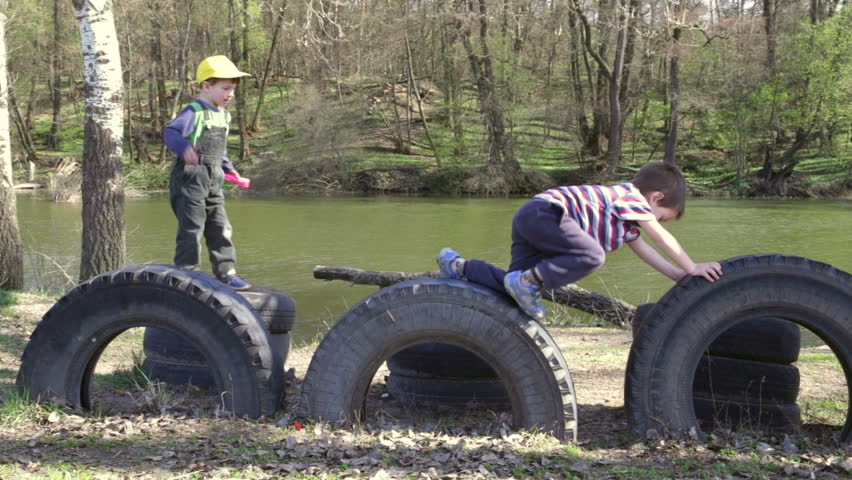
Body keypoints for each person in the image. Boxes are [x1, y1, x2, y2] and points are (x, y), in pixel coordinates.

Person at [437, 162, 723, 319]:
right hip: (548, 214)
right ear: (655, 198)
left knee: (512, 286)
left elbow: (647, 251)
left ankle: (459, 266)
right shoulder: (632, 198)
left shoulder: (627, 225)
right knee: (592, 256)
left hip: (531, 218)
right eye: (661, 217)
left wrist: (678, 275)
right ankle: (527, 281)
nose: (655, 222)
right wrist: (692, 266)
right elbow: (658, 238)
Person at [164, 55, 253, 290]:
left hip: (214, 180)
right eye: (225, 88)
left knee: (220, 226)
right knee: (192, 227)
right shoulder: (194, 111)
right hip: (190, 178)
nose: (230, 94)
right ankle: (187, 273)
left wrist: (230, 170)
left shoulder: (224, 115)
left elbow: (220, 151)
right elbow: (171, 133)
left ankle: (226, 273)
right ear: (206, 86)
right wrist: (184, 149)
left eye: (232, 89)